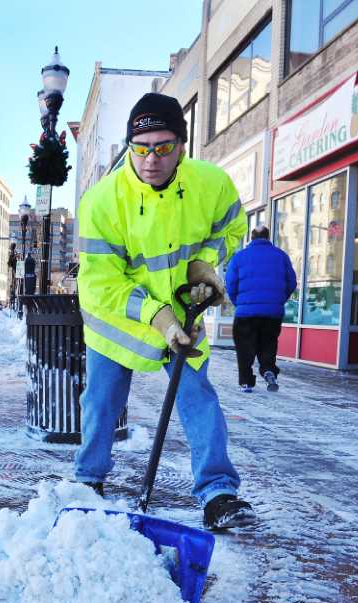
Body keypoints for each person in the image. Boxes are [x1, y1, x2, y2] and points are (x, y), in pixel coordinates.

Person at [75, 92, 255, 531]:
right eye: (140, 148)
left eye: (163, 147)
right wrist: (156, 316)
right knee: (102, 401)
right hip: (118, 321)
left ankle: (218, 494)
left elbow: (231, 227)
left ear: (182, 146)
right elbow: (100, 282)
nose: (150, 159)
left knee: (198, 398)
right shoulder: (101, 202)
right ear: (128, 148)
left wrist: (204, 265)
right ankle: (87, 481)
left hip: (183, 312)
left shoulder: (210, 184)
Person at [224, 225, 297, 393]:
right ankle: (268, 369)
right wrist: (277, 301)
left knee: (244, 347)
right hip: (272, 313)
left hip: (245, 313)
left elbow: (230, 284)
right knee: (268, 343)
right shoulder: (281, 256)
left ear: (251, 237)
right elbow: (291, 282)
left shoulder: (239, 257)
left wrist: (239, 303)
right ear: (268, 236)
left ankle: (246, 382)